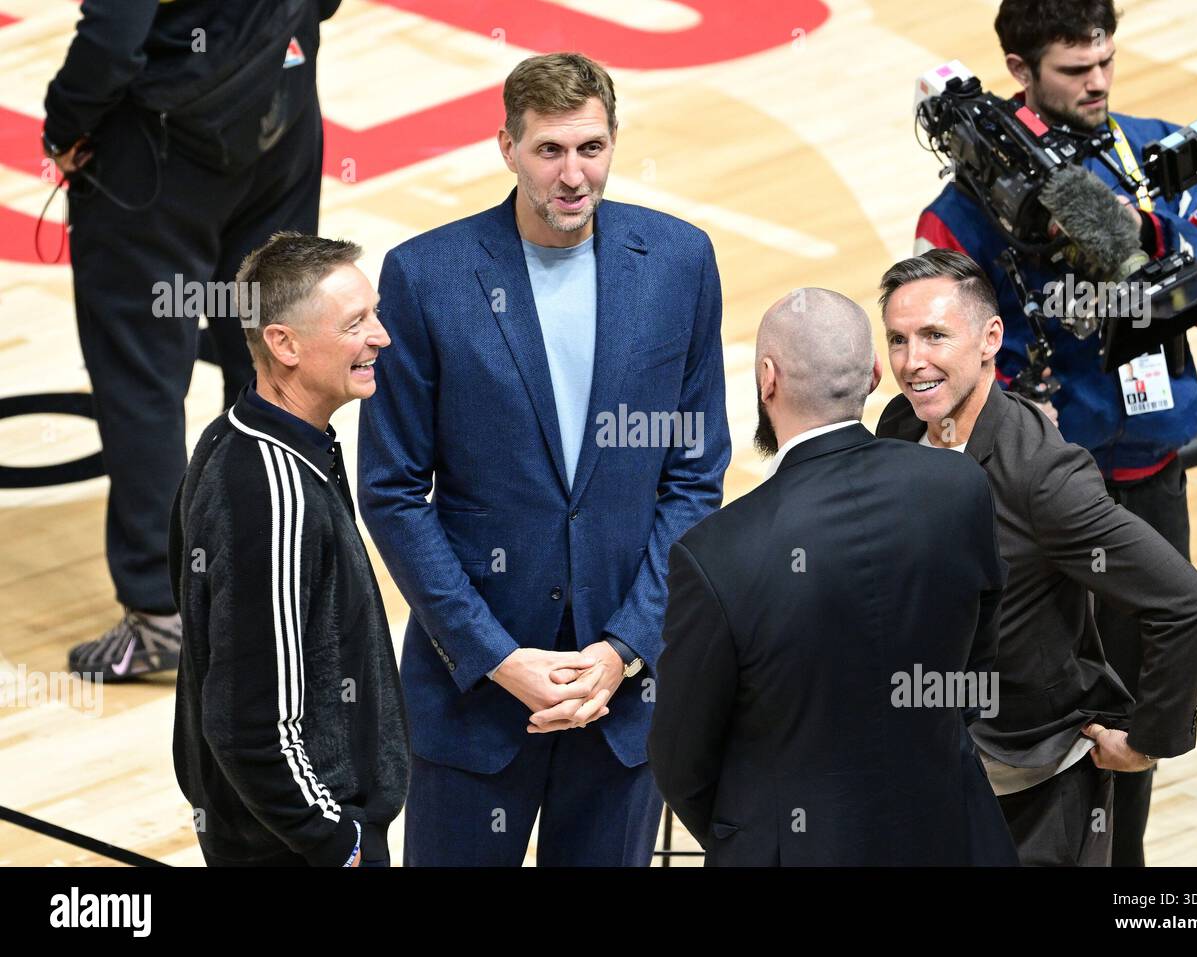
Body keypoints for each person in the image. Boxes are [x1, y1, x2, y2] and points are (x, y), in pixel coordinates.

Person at [357, 52, 730, 867]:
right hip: (475, 697)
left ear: (614, 141)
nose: (573, 175)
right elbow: (390, 490)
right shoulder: (424, 277)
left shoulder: (680, 262)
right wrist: (497, 655)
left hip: (621, 699)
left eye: (590, 148)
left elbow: (695, 475)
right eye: (550, 151)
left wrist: (624, 646)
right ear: (507, 148)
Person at [914, 0, 1197, 866]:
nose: (1099, 82)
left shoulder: (1155, 150)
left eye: (1105, 60)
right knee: (1033, 696)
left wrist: (1143, 235)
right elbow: (939, 345)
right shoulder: (963, 212)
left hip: (1144, 467)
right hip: (1028, 493)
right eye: (1075, 70)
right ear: (1020, 69)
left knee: (1142, 679)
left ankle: (1127, 865)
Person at [648, 287, 1017, 866]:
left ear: (767, 379)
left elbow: (679, 760)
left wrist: (755, 833)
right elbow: (977, 664)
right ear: (874, 375)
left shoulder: (715, 553)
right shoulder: (959, 486)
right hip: (950, 832)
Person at [876, 250, 1197, 866]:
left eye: (933, 336)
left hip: (1030, 785)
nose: (912, 362)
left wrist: (1144, 743)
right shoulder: (901, 425)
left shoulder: (1042, 476)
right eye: (898, 340)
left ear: (990, 339)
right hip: (925, 766)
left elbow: (1184, 603)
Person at [47, 0, 342, 681]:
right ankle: (285, 581)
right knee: (271, 355)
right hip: (283, 98)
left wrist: (67, 122)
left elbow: (114, 39)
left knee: (141, 372)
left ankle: (162, 616)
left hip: (167, 139)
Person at [170, 232, 409, 867]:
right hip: (297, 847)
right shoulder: (273, 495)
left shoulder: (233, 436)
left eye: (375, 315)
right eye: (357, 323)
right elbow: (247, 724)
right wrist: (338, 842)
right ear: (284, 343)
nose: (380, 337)